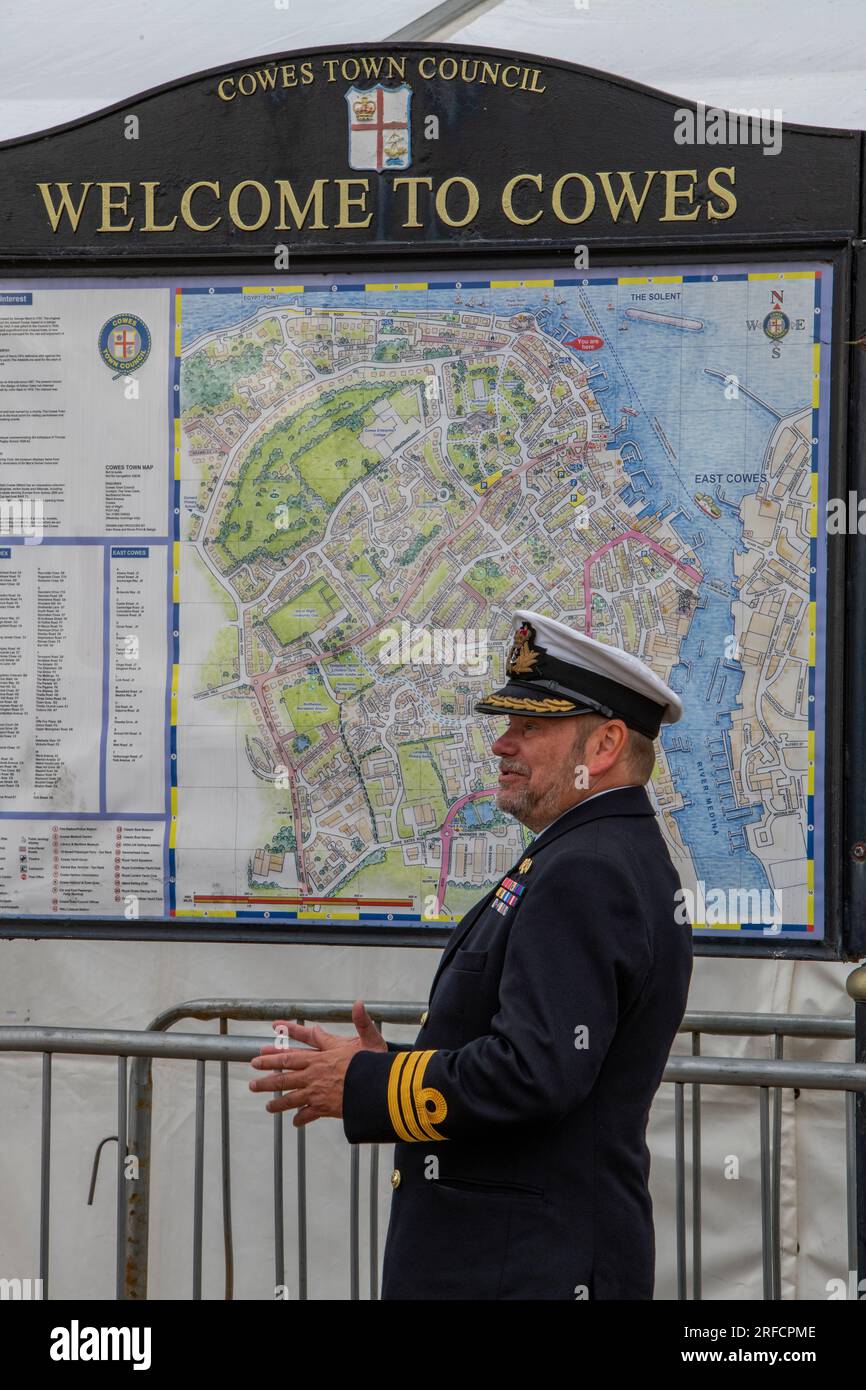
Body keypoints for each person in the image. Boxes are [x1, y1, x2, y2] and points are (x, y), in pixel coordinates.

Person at [249, 608, 694, 1299]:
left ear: (604, 745)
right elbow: (539, 1056)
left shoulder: (588, 869)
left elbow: (533, 1075)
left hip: (523, 1269)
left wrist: (369, 1087)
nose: (501, 745)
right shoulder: (598, 852)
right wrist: (389, 1069)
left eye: (530, 727)